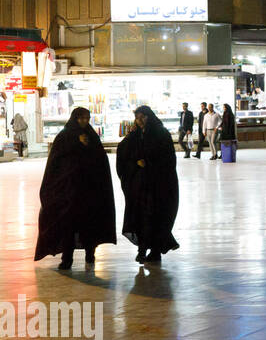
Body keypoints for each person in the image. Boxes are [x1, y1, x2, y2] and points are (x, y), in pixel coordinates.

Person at [34, 107, 116, 269]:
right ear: (75, 118)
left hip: (89, 191)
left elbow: (100, 160)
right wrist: (76, 145)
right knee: (68, 225)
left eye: (87, 118)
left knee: (89, 223)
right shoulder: (64, 137)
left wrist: (88, 147)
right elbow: (55, 163)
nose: (84, 121)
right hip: (69, 191)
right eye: (81, 118)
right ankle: (67, 258)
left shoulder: (92, 136)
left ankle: (90, 254)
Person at [116, 105, 180, 264]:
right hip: (140, 187)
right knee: (140, 217)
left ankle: (155, 251)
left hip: (158, 186)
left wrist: (150, 163)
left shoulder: (160, 134)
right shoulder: (135, 136)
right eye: (137, 118)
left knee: (155, 218)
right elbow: (124, 153)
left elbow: (169, 159)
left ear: (149, 116)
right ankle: (142, 250)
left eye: (143, 117)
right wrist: (135, 163)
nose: (140, 121)